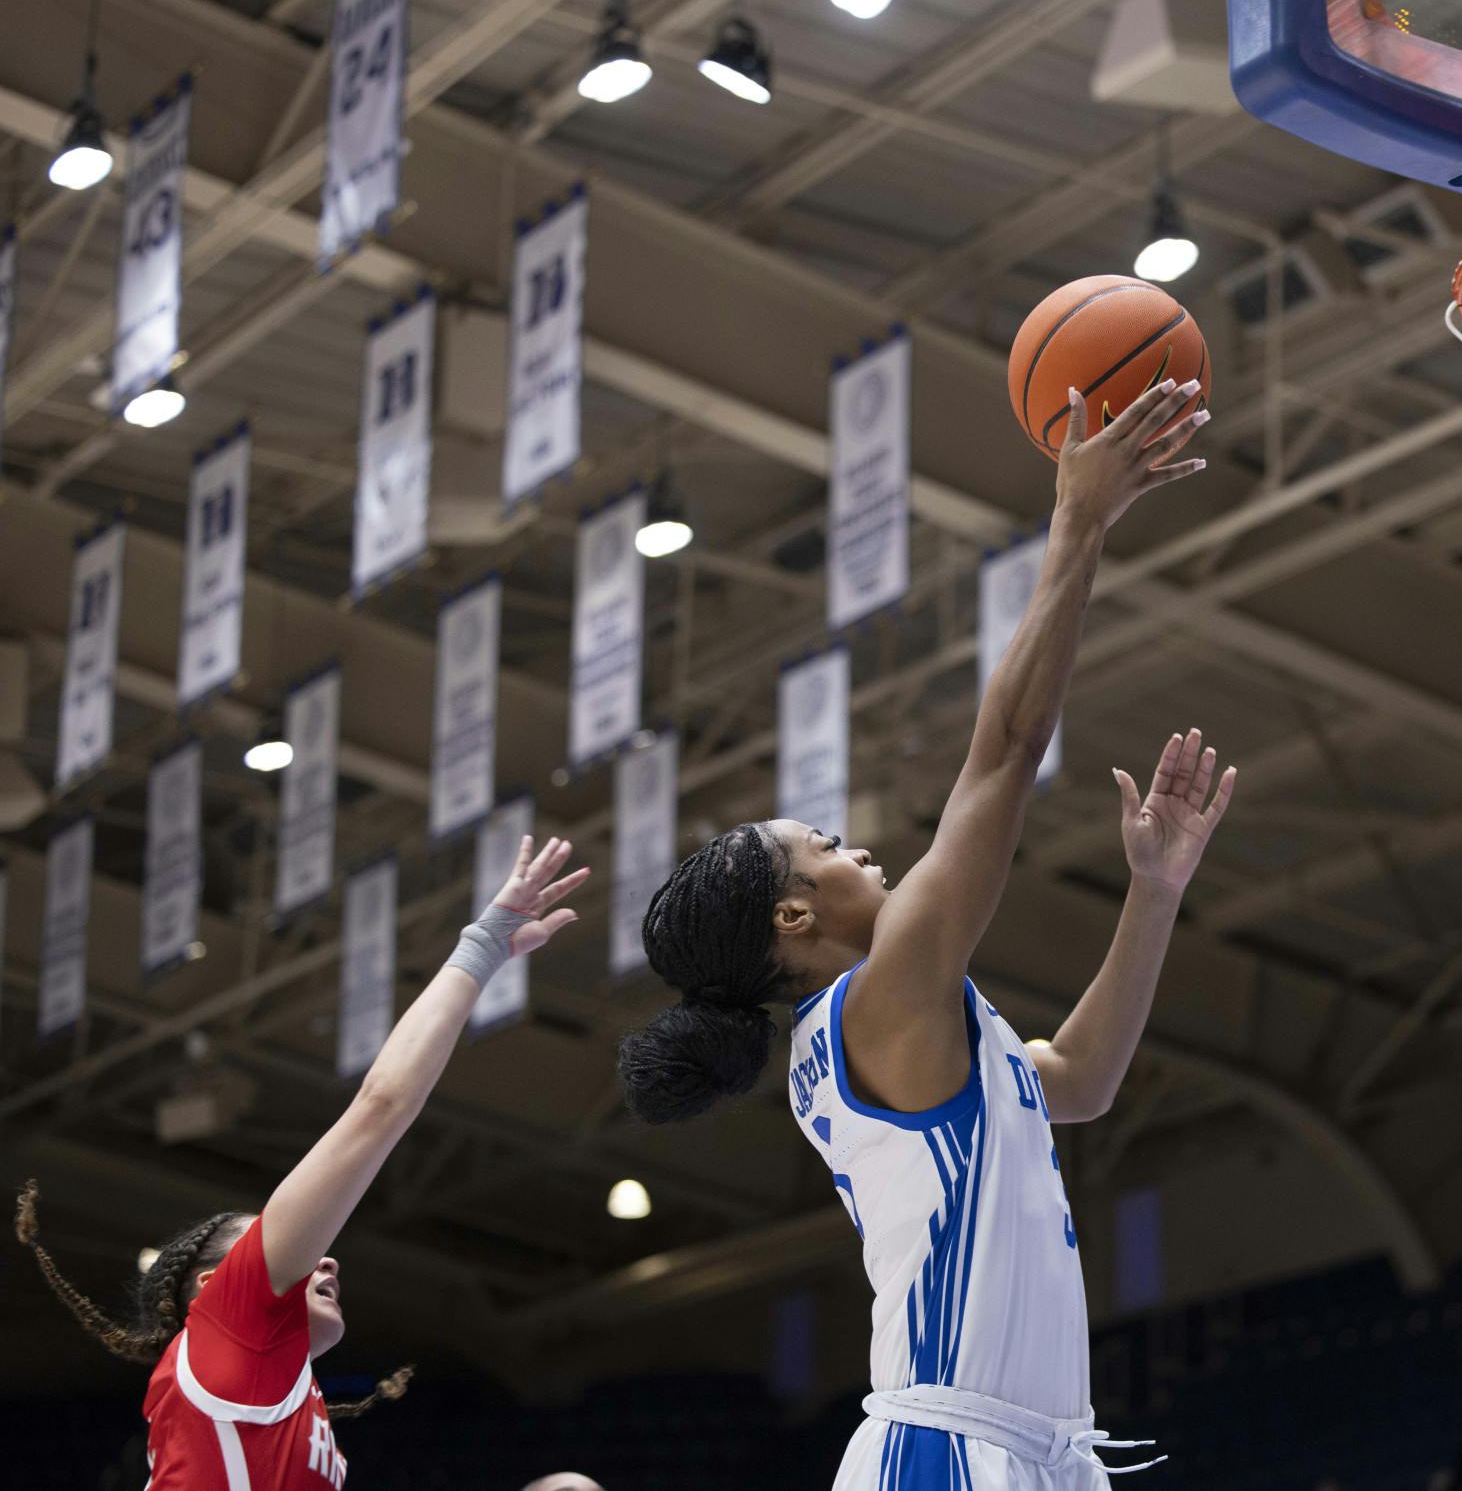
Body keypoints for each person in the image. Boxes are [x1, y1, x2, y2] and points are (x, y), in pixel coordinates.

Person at [618, 378, 1218, 1490]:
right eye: (829, 846)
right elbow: (1005, 751)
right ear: (794, 916)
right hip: (946, 1449)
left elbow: (1079, 1081)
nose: (861, 851)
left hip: (1023, 1451)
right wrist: (1078, 518)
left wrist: (1154, 887)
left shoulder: (893, 1026)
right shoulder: (875, 1005)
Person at [16, 835, 587, 1490]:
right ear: (214, 1289)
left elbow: (381, 1106)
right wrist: (481, 947)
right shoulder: (231, 1327)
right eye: (291, 1249)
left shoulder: (277, 1398)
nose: (326, 1259)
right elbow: (380, 1106)